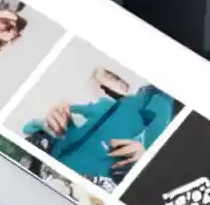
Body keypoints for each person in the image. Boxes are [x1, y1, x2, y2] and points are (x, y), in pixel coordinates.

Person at [22, 81, 175, 191]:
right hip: (58, 173)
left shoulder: (150, 104)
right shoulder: (106, 106)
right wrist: (54, 116)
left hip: (75, 182)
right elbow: (35, 127)